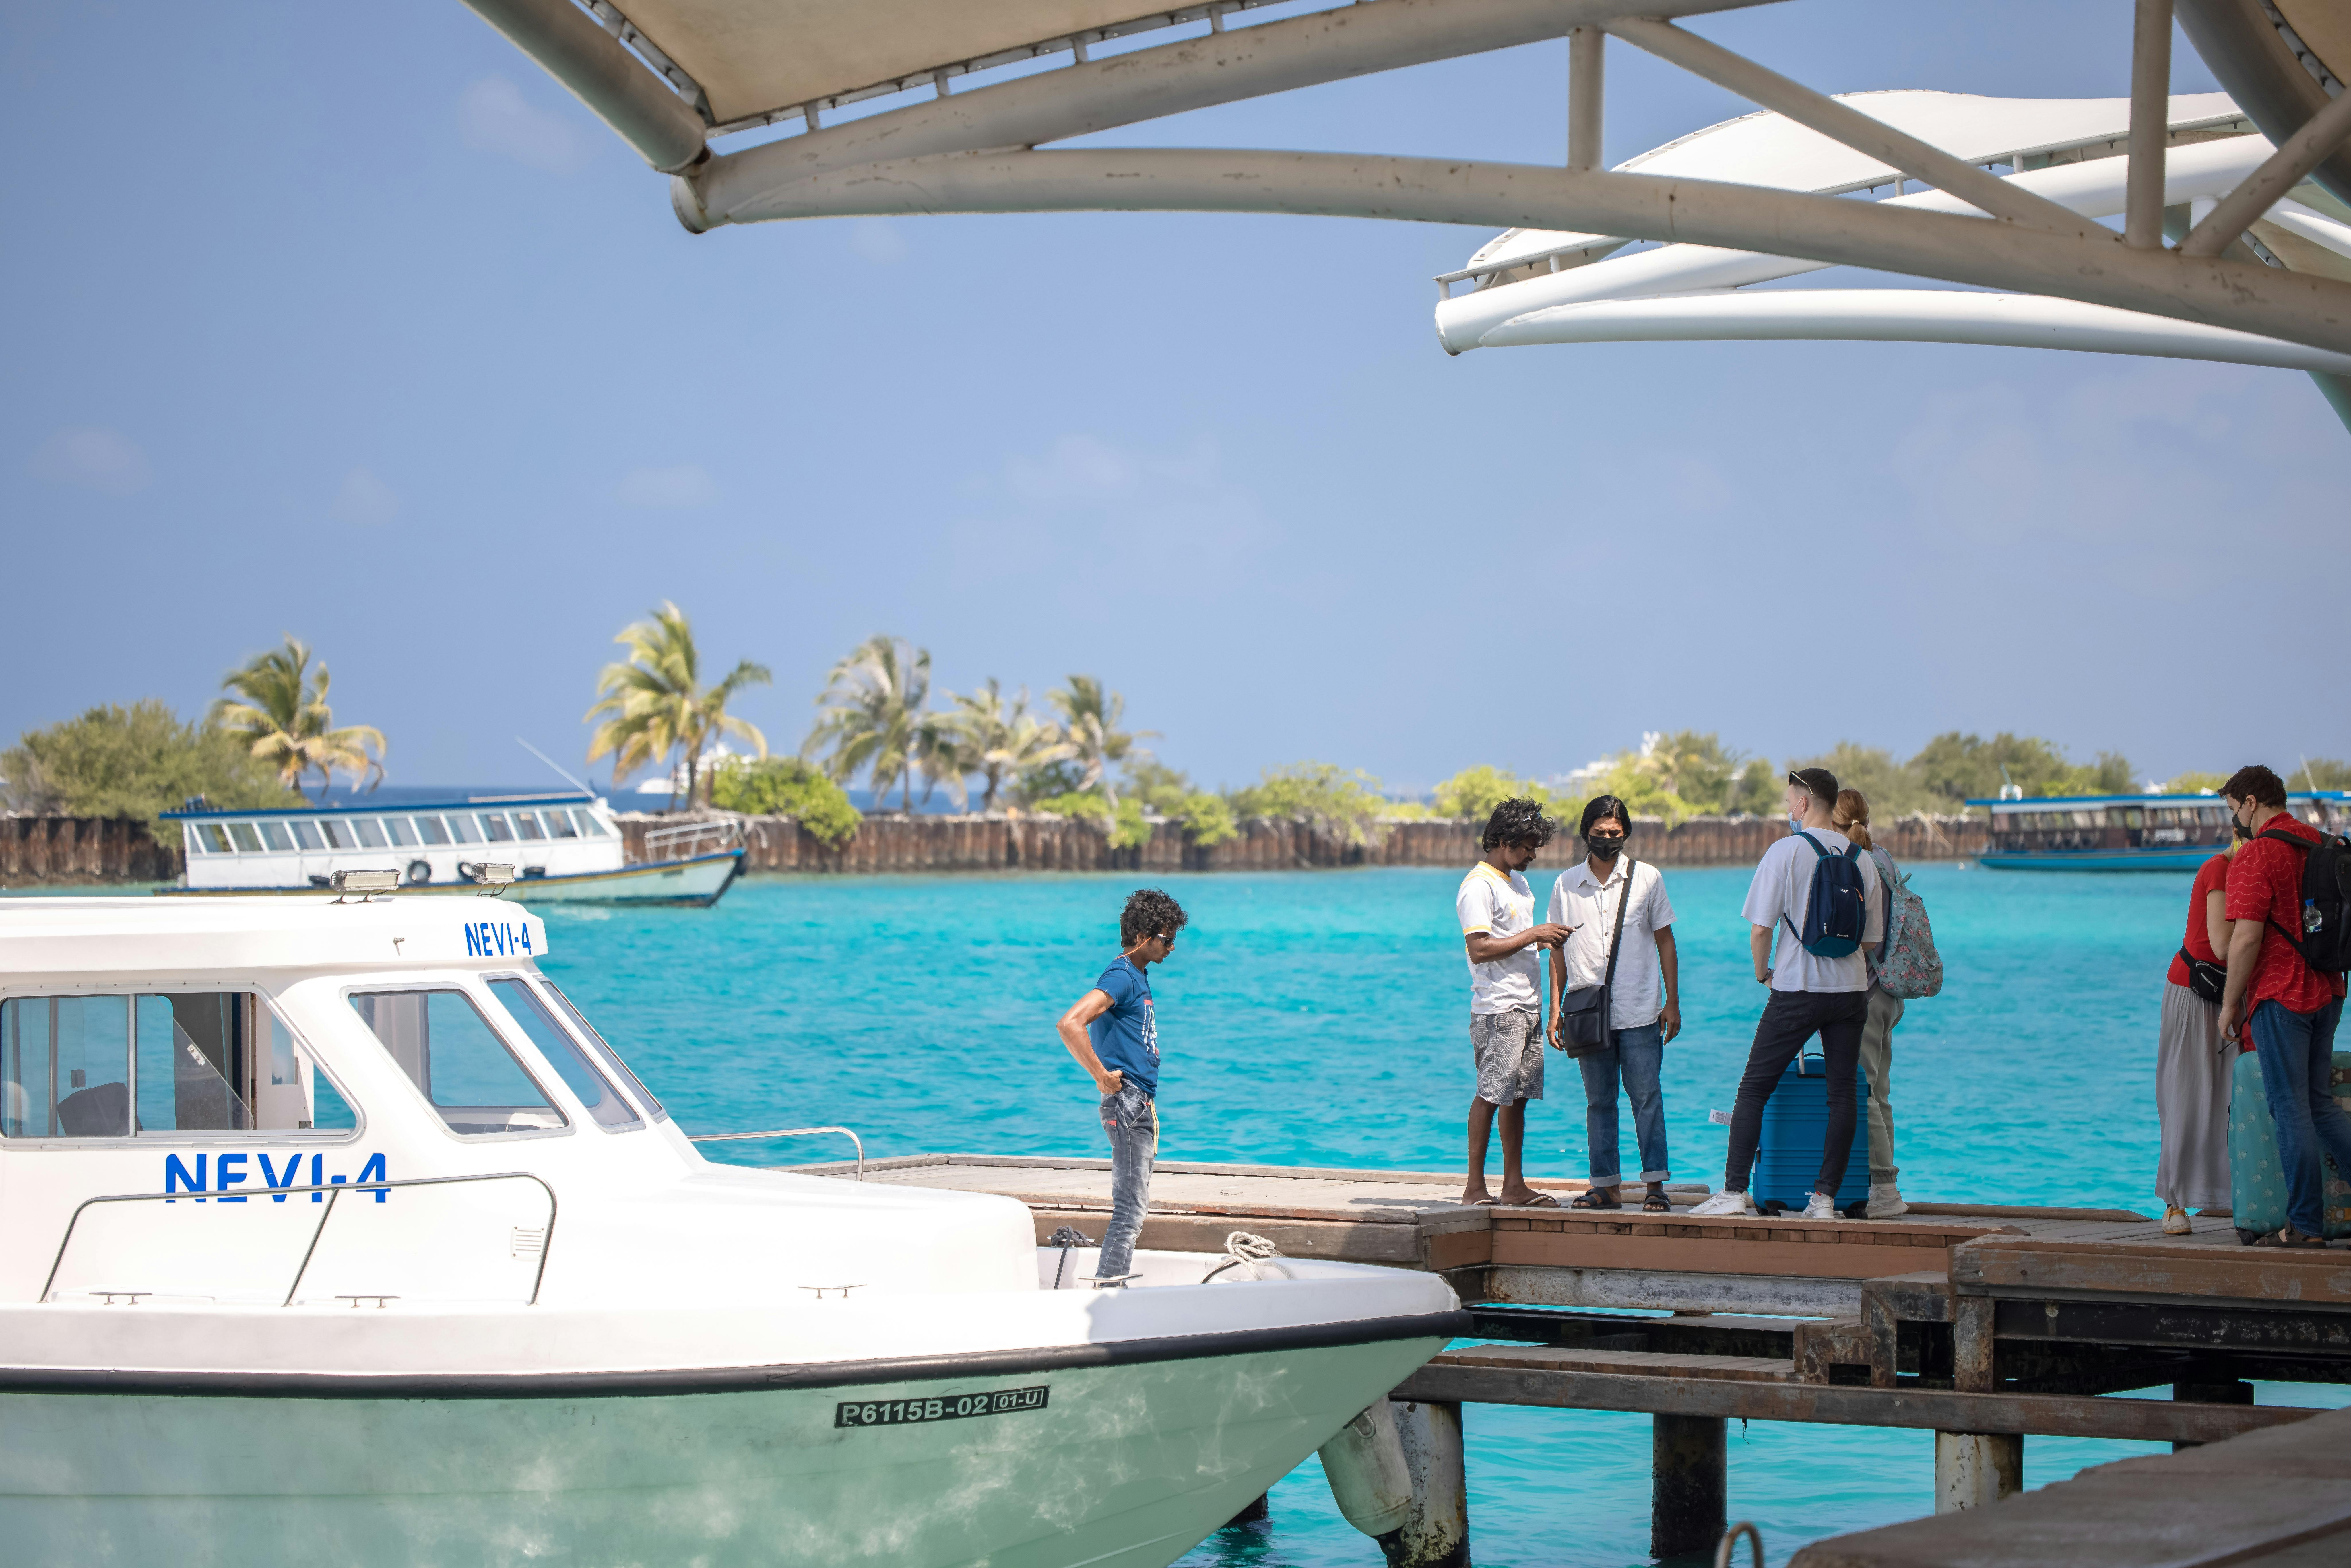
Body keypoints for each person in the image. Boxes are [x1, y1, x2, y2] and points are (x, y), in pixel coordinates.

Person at [1690, 766, 1883, 1220]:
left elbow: (1761, 929)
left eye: (1789, 799)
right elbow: (1871, 943)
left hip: (1796, 988)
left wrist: (1764, 975)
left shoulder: (1786, 851)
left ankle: (1735, 1192)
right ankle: (1825, 1200)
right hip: (1850, 991)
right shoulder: (1863, 858)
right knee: (1843, 1095)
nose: (1787, 807)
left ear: (1802, 803)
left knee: (1755, 1087)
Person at [2216, 765, 2350, 1249]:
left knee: (2290, 1109)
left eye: (2234, 810)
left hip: (2282, 995)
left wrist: (2231, 1005)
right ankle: (2310, 1222)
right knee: (2320, 1106)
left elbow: (2247, 937)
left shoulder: (2257, 856)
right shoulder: (2322, 844)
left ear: (2251, 803)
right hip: (2331, 990)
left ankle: (2306, 1227)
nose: (2235, 822)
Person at [1546, 795, 1680, 1212]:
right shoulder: (1566, 884)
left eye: (1615, 834)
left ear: (1627, 835)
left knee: (1647, 1099)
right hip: (1587, 1013)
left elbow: (1666, 942)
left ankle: (1655, 1185)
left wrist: (1672, 1002)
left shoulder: (1648, 879)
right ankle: (1605, 1186)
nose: (1607, 840)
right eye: (1600, 833)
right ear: (1586, 832)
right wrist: (1554, 1009)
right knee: (1599, 1102)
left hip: (1641, 1010)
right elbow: (1556, 950)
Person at [1054, 887, 1188, 1283]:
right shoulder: (1122, 975)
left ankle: (1111, 1288)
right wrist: (1101, 1076)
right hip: (1127, 1105)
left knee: (1134, 1208)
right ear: (1145, 936)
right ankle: (1109, 1293)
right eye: (1167, 939)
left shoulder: (1137, 976)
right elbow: (1070, 1023)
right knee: (1130, 1211)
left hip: (1137, 1104)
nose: (1172, 948)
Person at [1457, 797, 1572, 1207]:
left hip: (1528, 1006)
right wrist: (1533, 935)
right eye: (1527, 845)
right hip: (1498, 1009)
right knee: (1491, 1093)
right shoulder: (1479, 885)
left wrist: (1543, 940)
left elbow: (1516, 943)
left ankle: (1513, 1186)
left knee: (1519, 1096)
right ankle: (1474, 1188)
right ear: (1504, 841)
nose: (1533, 854)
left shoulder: (1518, 884)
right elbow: (1480, 948)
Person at [1832, 789, 1909, 1220]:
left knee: (1863, 1092)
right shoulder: (1883, 857)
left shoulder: (1859, 864)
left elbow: (1863, 937)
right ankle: (1884, 1184)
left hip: (1867, 990)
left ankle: (1884, 1190)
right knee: (1878, 1092)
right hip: (1890, 991)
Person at [2156, 833, 2237, 1234]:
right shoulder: (2219, 869)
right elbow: (2222, 947)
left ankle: (2229, 1196)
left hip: (2233, 993)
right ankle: (2176, 1203)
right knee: (2186, 1094)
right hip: (2196, 989)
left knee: (2231, 1100)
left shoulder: (2249, 868)